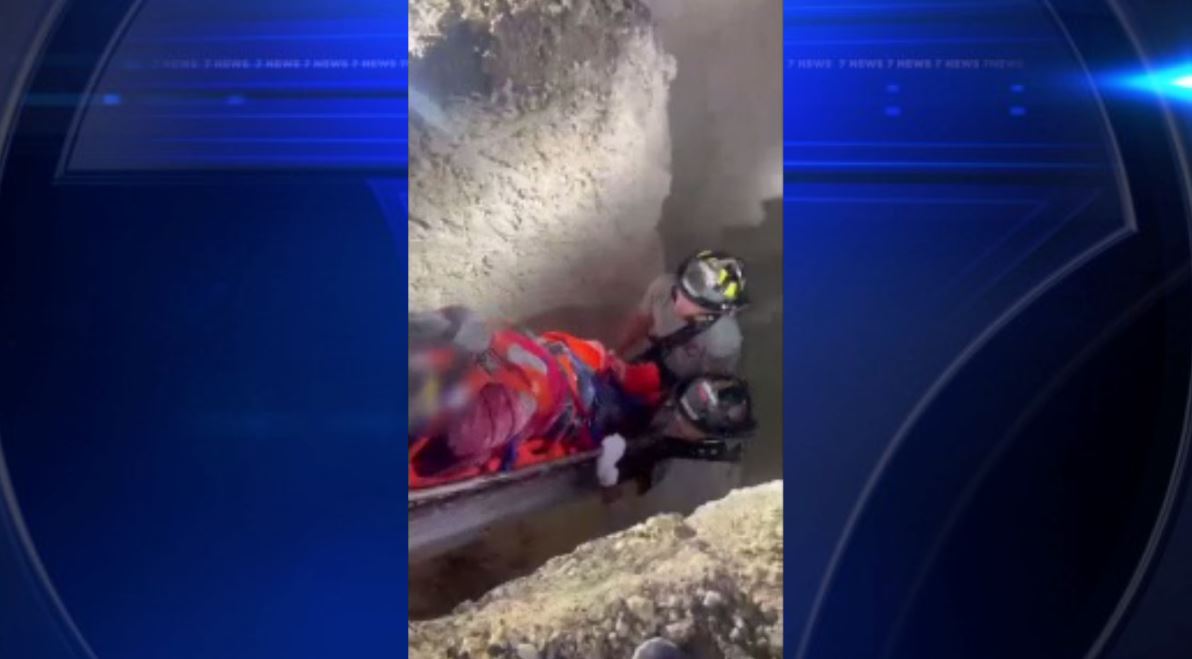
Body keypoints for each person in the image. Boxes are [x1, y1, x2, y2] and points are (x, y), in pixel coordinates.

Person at [408, 307, 755, 491]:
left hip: (583, 397)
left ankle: (649, 422)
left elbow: (446, 455)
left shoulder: (490, 411)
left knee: (628, 421)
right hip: (571, 372)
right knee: (630, 405)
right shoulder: (478, 345)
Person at [617, 250, 748, 384]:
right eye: (681, 290)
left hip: (683, 382)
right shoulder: (662, 287)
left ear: (715, 312)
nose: (679, 303)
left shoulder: (724, 339)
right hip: (660, 353)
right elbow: (641, 323)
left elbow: (711, 384)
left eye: (695, 303)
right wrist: (619, 353)